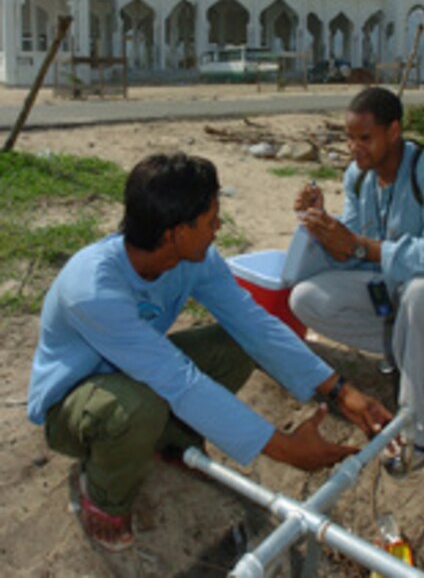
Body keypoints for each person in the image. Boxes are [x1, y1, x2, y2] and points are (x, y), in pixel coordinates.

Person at [27, 151, 391, 552]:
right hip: (74, 404)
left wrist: (340, 390)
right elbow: (179, 381)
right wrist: (285, 448)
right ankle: (103, 496)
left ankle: (171, 443)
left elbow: (254, 324)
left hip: (137, 373)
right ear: (174, 232)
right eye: (210, 219)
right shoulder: (94, 289)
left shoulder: (192, 259)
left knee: (235, 343)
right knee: (136, 407)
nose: (219, 227)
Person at [289, 86, 424, 475]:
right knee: (306, 298)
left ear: (394, 131)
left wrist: (363, 246)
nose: (354, 148)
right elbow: (354, 254)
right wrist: (325, 228)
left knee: (421, 293)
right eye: (349, 138)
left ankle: (422, 424)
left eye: (365, 138)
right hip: (393, 291)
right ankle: (408, 353)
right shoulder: (359, 179)